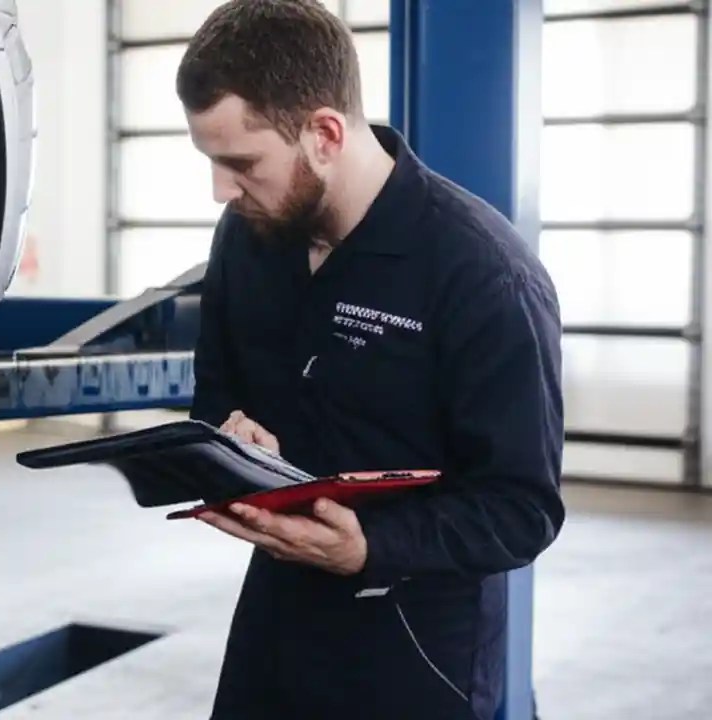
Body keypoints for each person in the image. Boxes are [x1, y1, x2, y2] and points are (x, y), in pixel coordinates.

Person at [176, 1, 566, 718]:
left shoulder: (482, 273)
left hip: (417, 645)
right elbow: (214, 404)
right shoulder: (247, 238)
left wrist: (371, 546)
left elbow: (522, 509)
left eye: (241, 164)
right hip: (276, 622)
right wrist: (230, 447)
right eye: (210, 161)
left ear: (324, 133)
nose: (221, 191)